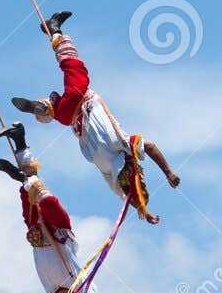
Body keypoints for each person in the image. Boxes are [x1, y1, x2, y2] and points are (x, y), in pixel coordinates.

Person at [11, 12, 180, 224]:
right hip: (69, 118)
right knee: (58, 108)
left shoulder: (124, 146)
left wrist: (168, 173)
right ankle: (44, 108)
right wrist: (145, 212)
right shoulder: (108, 171)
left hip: (82, 100)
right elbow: (129, 196)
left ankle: (54, 32)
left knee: (74, 68)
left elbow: (151, 148)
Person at [0, 121, 101, 293]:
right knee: (44, 196)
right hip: (59, 231)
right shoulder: (79, 288)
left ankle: (20, 140)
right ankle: (25, 178)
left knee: (27, 193)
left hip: (37, 235)